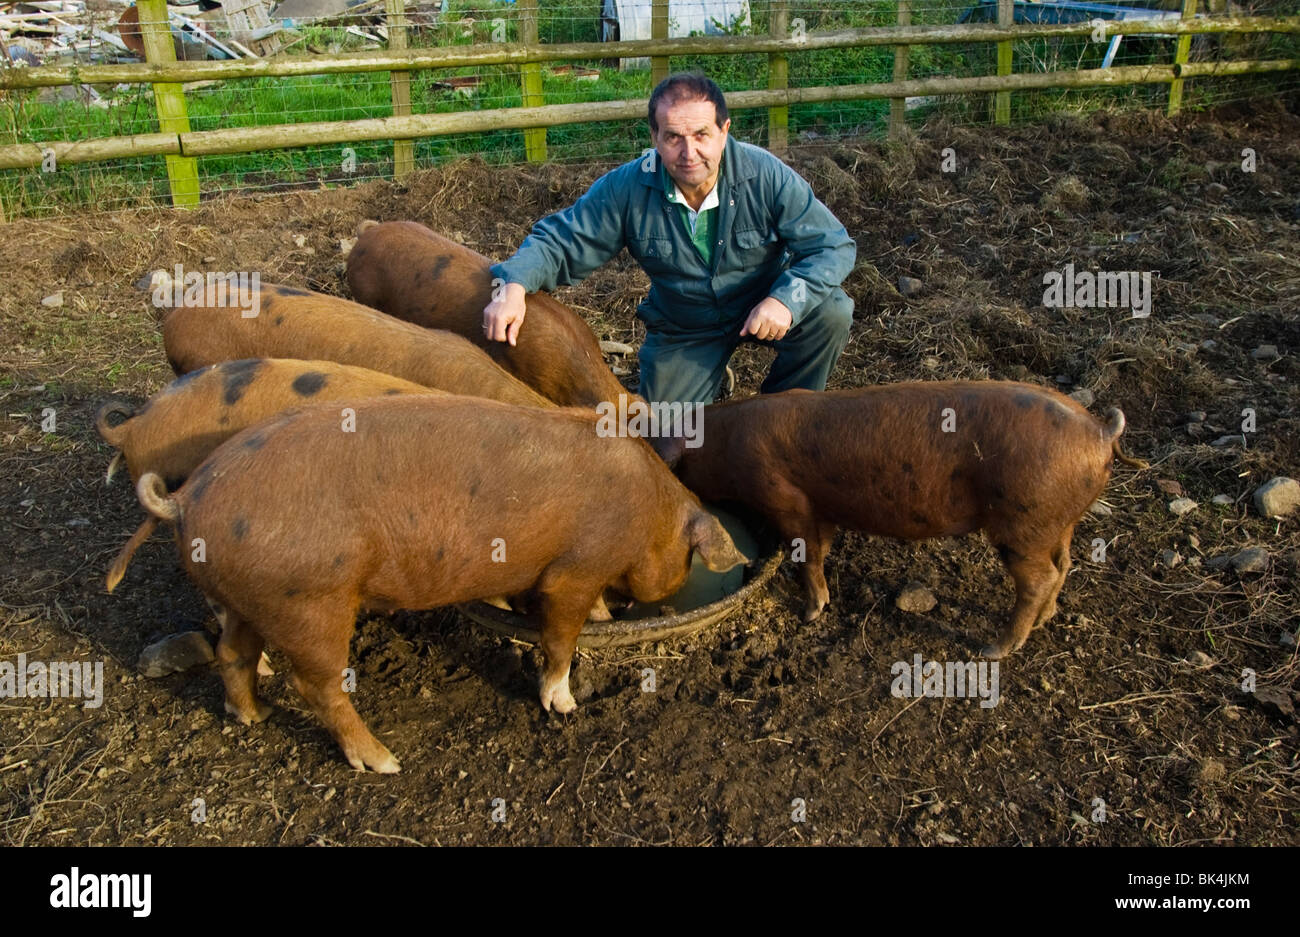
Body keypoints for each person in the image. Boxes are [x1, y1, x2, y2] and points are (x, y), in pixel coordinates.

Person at [483, 71, 857, 407]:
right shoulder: (629, 186)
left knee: (831, 312)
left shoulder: (766, 176)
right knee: (666, 433)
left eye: (701, 136)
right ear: (655, 137)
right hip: (687, 324)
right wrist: (513, 284)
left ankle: (783, 408)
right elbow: (562, 240)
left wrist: (785, 300)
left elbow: (832, 246)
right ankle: (704, 377)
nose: (688, 153)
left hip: (762, 301)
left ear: (724, 131)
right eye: (674, 137)